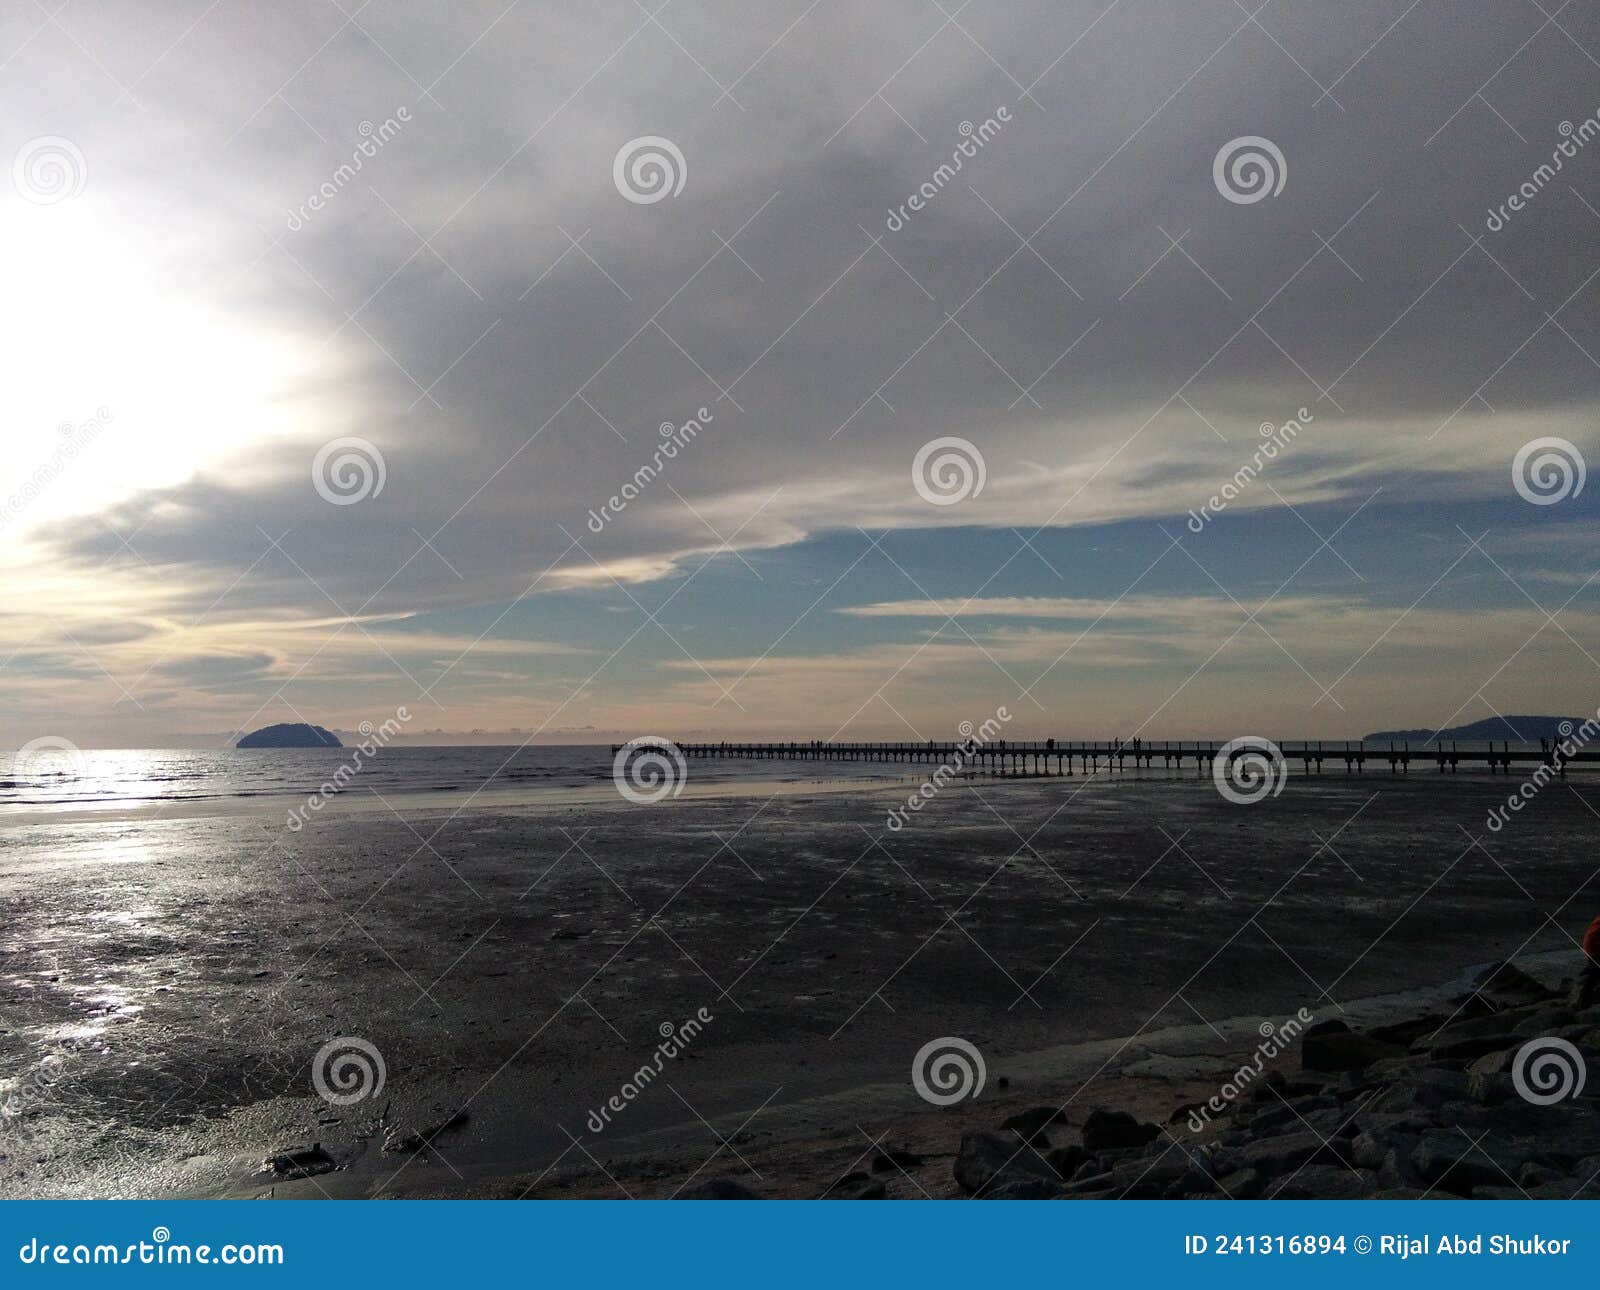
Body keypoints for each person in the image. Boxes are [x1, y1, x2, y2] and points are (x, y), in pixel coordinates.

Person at [1577, 914, 1600, 1009]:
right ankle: (1583, 999)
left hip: (1592, 946)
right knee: (1595, 974)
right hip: (1595, 947)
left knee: (1595, 971)